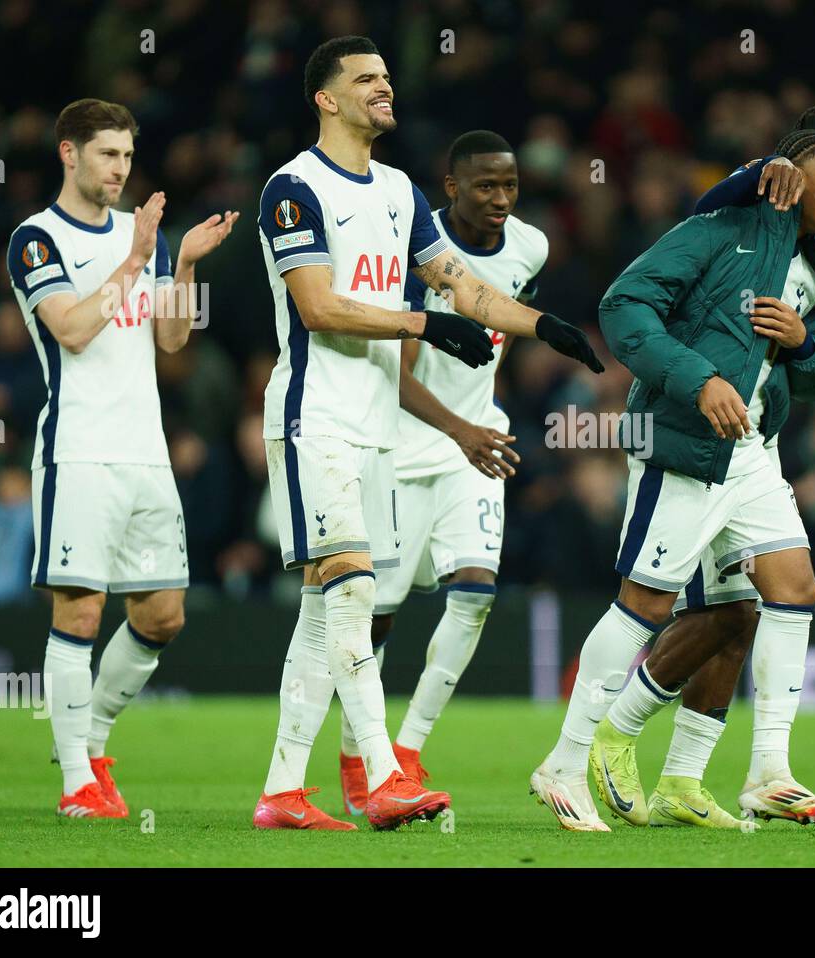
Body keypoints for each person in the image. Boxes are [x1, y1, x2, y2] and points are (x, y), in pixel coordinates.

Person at [253, 37, 601, 832]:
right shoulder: (294, 188)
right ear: (326, 99)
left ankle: (281, 792)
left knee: (324, 611)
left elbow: (464, 287)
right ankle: (382, 774)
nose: (384, 89)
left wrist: (543, 324)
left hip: (376, 426)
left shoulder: (401, 193)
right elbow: (318, 306)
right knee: (349, 590)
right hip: (317, 417)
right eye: (365, 80)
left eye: (385, 77)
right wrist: (421, 322)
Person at [531, 129, 815, 831]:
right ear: (795, 172)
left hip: (751, 447)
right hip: (687, 442)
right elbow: (622, 304)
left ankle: (767, 773)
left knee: (788, 590)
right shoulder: (722, 228)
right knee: (644, 607)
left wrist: (804, 341)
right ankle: (565, 763)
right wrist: (700, 382)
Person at [5, 98, 237, 818]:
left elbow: (170, 343)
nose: (121, 169)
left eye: (129, 157)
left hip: (146, 452)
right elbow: (72, 329)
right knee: (80, 610)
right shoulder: (35, 239)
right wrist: (136, 257)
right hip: (79, 450)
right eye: (107, 154)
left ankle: (92, 737)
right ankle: (77, 782)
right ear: (69, 153)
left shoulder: (148, 236)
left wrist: (184, 264)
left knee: (164, 615)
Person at [336, 130, 545, 815]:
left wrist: (478, 414)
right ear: (451, 189)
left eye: (510, 186)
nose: (500, 200)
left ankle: (407, 750)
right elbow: (394, 378)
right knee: (378, 618)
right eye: (485, 186)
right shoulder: (408, 256)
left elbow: (499, 338)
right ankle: (354, 753)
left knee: (476, 592)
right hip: (401, 450)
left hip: (475, 450)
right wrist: (460, 428)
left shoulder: (530, 246)